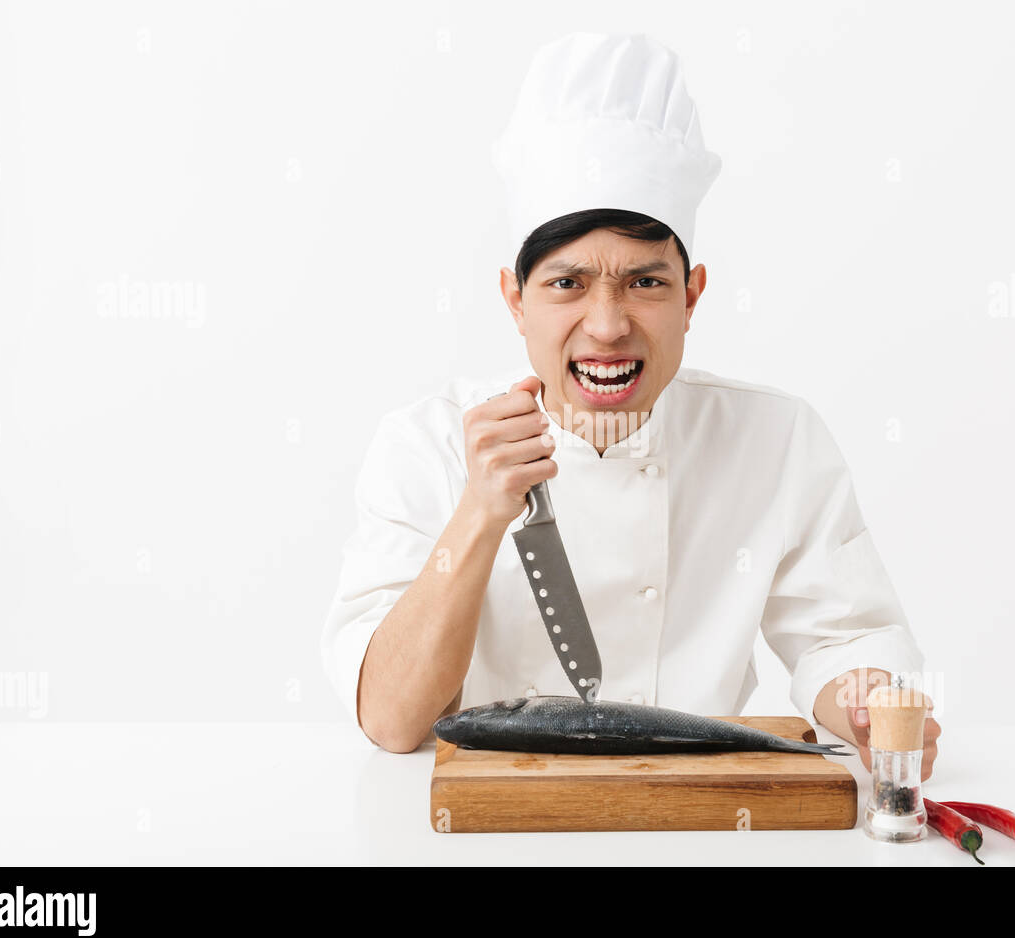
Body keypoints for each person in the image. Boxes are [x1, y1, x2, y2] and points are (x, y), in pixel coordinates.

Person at [319, 32, 940, 779]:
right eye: (567, 284)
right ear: (515, 300)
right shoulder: (424, 445)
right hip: (496, 825)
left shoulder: (776, 439)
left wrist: (865, 701)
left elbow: (846, 641)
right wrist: (481, 512)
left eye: (645, 283)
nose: (608, 325)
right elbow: (390, 720)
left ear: (693, 296)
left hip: (703, 819)